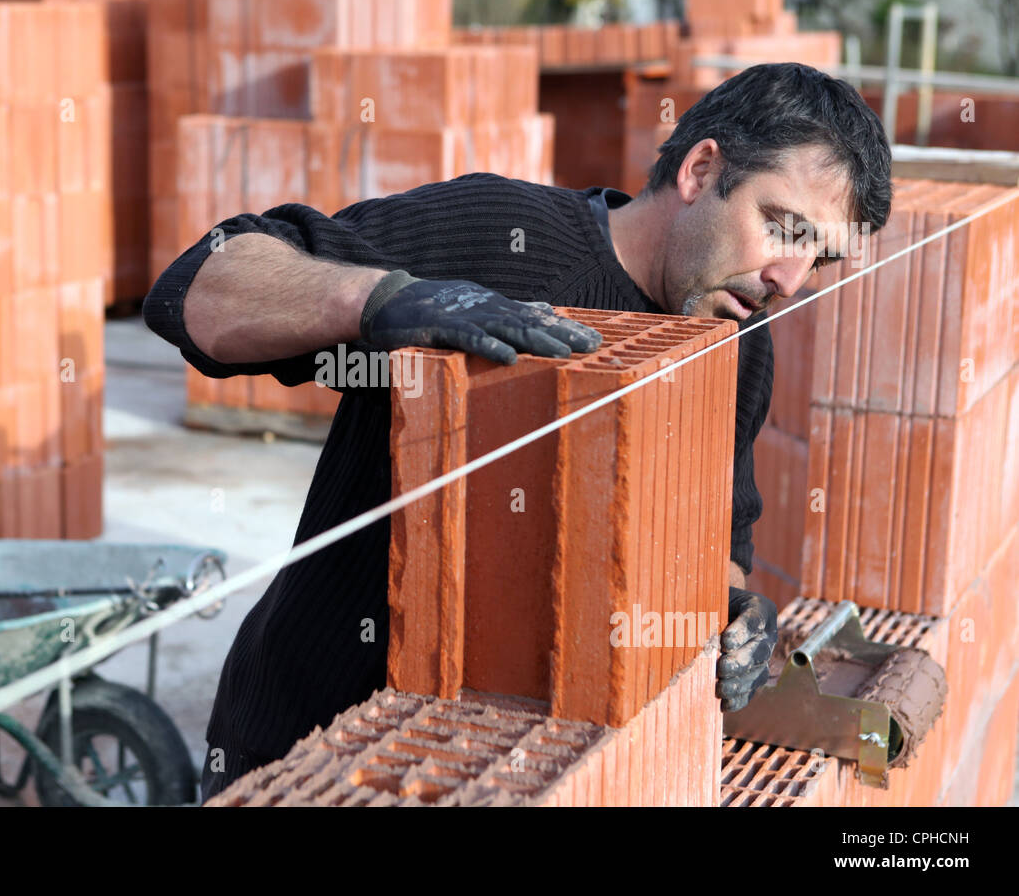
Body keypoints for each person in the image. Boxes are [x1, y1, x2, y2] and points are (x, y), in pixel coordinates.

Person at [144, 62, 893, 802]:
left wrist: (734, 608)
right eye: (783, 227)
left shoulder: (741, 347)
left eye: (817, 256)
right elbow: (195, 289)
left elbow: (719, 540)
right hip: (299, 736)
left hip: (507, 773)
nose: (790, 280)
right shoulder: (502, 234)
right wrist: (378, 298)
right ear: (701, 170)